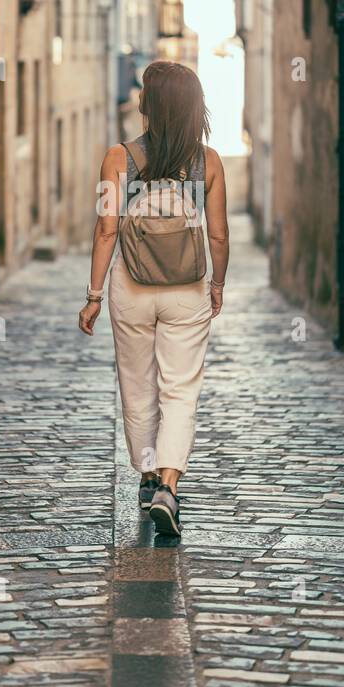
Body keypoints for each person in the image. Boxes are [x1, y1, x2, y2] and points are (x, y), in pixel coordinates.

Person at [78, 61, 229, 537]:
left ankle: (145, 477)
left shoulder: (117, 159)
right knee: (181, 388)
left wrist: (94, 295)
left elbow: (106, 228)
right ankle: (168, 486)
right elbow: (219, 236)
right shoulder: (209, 162)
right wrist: (217, 284)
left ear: (148, 104)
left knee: (137, 385)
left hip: (132, 288)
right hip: (187, 288)